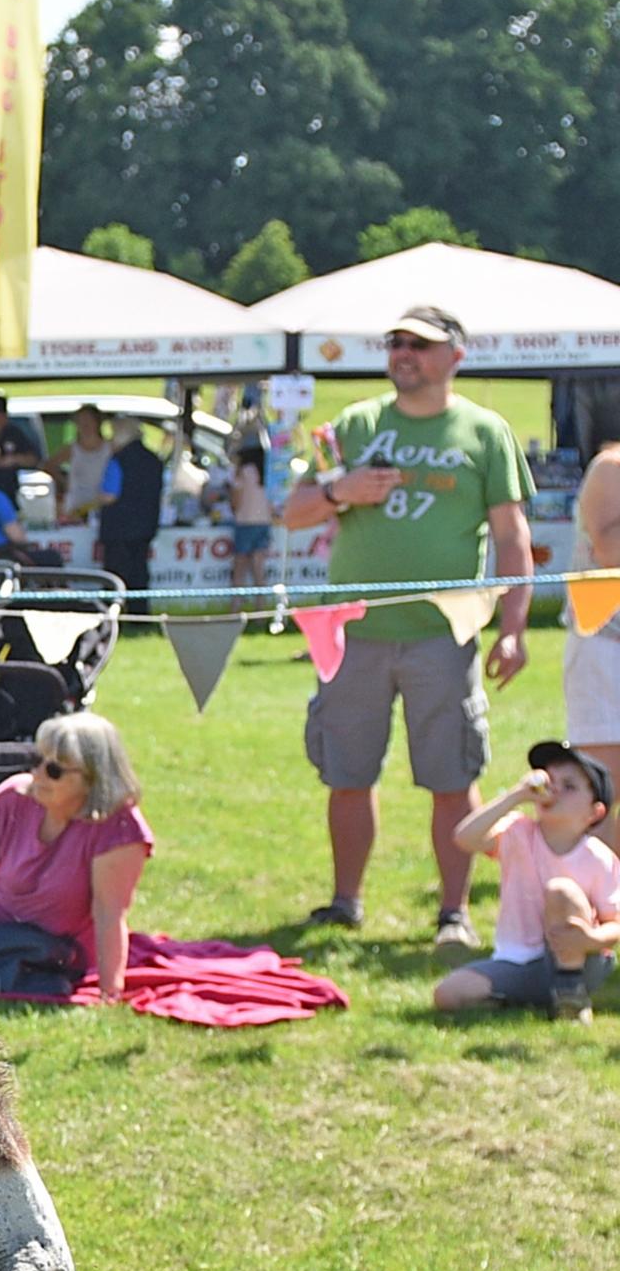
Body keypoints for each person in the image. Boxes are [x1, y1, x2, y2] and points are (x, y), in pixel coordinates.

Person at [283, 305, 534, 945]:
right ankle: (345, 902)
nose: (403, 353)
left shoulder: (485, 431)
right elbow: (295, 512)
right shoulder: (354, 424)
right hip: (353, 636)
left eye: (419, 344)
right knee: (347, 775)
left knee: (452, 778)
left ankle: (455, 913)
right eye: (395, 342)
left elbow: (511, 537)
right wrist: (344, 490)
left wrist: (513, 626)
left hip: (443, 636)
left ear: (456, 356)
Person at [0, 711, 154, 1001]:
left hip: (58, 950)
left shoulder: (118, 828)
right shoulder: (15, 797)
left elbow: (109, 912)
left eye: (54, 770)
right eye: (36, 761)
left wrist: (109, 992)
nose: (37, 774)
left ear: (93, 779)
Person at [434, 744, 620, 1021]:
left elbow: (614, 923)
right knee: (447, 994)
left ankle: (571, 992)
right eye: (549, 780)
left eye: (569, 786)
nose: (554, 791)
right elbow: (465, 837)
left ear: (595, 813)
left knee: (561, 891)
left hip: (581, 961)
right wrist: (515, 796)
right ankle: (532, 999)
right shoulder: (518, 832)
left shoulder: (598, 857)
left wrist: (590, 939)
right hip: (518, 960)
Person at [564, 438, 620, 852]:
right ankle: (599, 903)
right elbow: (610, 550)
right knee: (603, 790)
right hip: (605, 647)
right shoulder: (610, 468)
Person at [90, 418, 166, 601]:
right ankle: (140, 616)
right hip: (146, 524)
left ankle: (115, 613)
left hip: (119, 527)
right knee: (139, 571)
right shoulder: (154, 459)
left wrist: (93, 501)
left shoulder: (118, 460)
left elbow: (110, 495)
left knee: (116, 574)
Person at [226, 438, 274, 589]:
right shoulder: (268, 472)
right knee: (259, 570)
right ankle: (261, 609)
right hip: (264, 521)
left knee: (239, 570)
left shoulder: (243, 471)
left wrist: (233, 507)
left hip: (245, 521)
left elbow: (236, 499)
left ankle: (235, 609)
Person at [57, 404, 116, 525]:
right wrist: (63, 483)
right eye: (81, 421)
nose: (85, 425)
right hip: (75, 508)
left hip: (102, 505)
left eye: (89, 421)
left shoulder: (111, 447)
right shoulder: (71, 448)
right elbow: (48, 465)